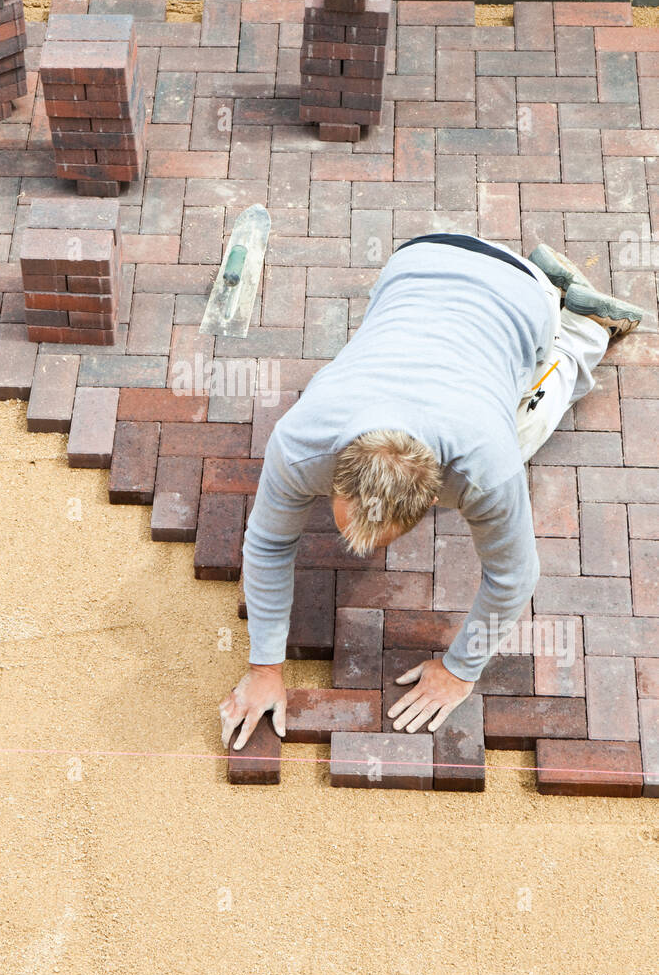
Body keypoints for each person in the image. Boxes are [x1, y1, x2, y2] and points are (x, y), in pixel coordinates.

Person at [219, 236, 645, 752]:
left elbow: (514, 576)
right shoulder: (301, 442)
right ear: (334, 474)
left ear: (437, 496)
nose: (370, 548)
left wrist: (461, 669)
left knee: (524, 425)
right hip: (415, 262)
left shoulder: (484, 463)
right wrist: (263, 667)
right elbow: (266, 544)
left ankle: (582, 328)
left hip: (511, 291)